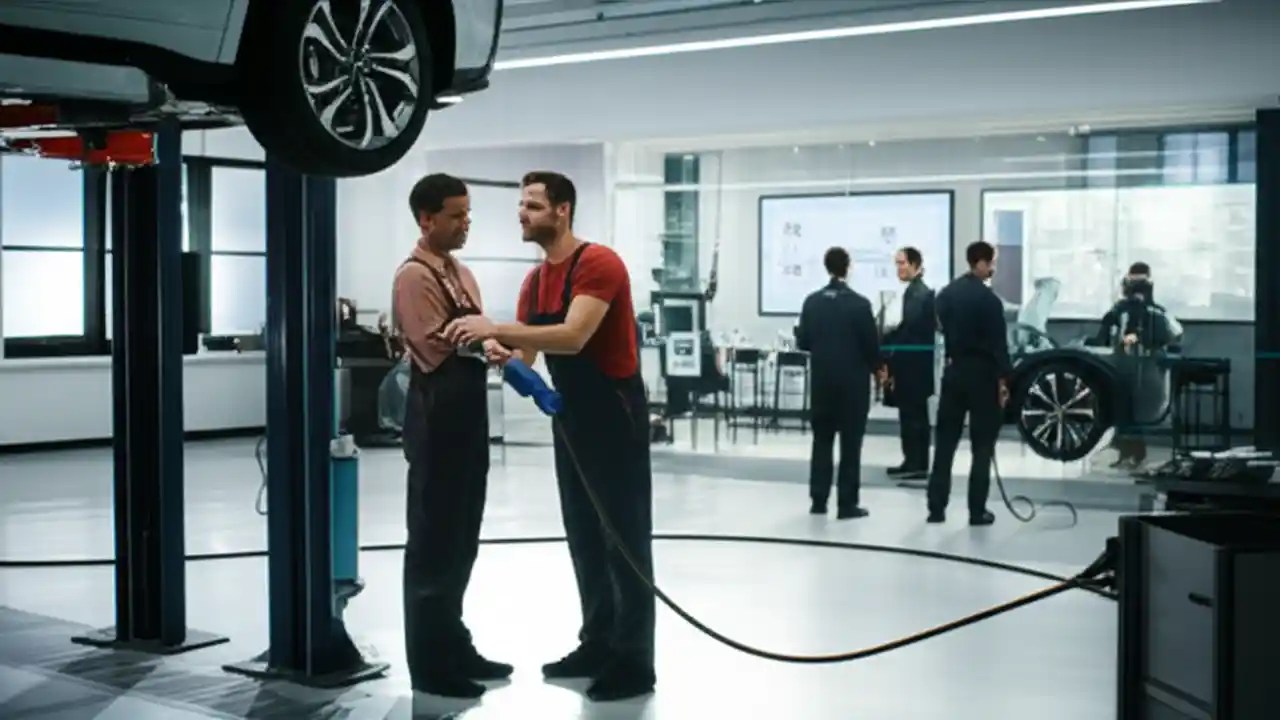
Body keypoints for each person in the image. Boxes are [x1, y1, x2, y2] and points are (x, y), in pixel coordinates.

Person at [442, 171, 656, 702]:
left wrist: (495, 329)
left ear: (563, 210)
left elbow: (573, 334)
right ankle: (598, 641)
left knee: (623, 539)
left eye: (533, 205)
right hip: (571, 418)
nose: (522, 213)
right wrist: (497, 356)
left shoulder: (598, 263)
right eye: (521, 204)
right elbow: (529, 355)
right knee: (584, 534)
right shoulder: (535, 283)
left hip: (614, 413)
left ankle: (634, 661)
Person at [391, 173, 513, 698]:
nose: (466, 224)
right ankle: (430, 664)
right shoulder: (414, 277)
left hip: (469, 420)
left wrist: (493, 339)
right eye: (456, 215)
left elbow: (477, 333)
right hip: (437, 418)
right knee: (434, 542)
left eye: (469, 214)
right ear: (426, 218)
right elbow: (437, 345)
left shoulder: (461, 273)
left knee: (463, 536)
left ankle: (454, 642)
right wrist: (487, 338)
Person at [926, 240, 1011, 526]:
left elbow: (937, 326)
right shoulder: (990, 301)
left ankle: (936, 509)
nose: (993, 269)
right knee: (982, 447)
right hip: (984, 377)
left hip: (955, 372)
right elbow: (1000, 347)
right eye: (991, 263)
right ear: (981, 263)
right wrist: (1004, 380)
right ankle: (977, 511)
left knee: (945, 444)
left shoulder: (947, 294)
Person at [795, 247, 880, 519]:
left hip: (821, 383)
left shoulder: (812, 302)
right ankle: (846, 503)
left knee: (822, 441)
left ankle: (818, 501)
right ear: (848, 267)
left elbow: (803, 342)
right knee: (850, 445)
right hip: (853, 386)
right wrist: (878, 368)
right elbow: (871, 348)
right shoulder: (860, 304)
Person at [1091, 262, 1181, 469]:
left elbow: (1104, 338)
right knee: (1129, 411)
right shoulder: (1153, 312)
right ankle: (1130, 450)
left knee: (1128, 410)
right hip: (1137, 369)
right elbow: (1173, 335)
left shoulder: (1125, 311)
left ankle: (1129, 450)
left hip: (1127, 368)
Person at [879, 247, 936, 482]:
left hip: (912, 366)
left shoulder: (918, 294)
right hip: (915, 365)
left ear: (915, 265)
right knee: (911, 416)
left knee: (913, 417)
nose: (899, 268)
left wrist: (885, 346)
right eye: (897, 264)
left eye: (902, 263)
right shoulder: (913, 293)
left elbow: (907, 329)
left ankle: (917, 463)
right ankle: (912, 461)